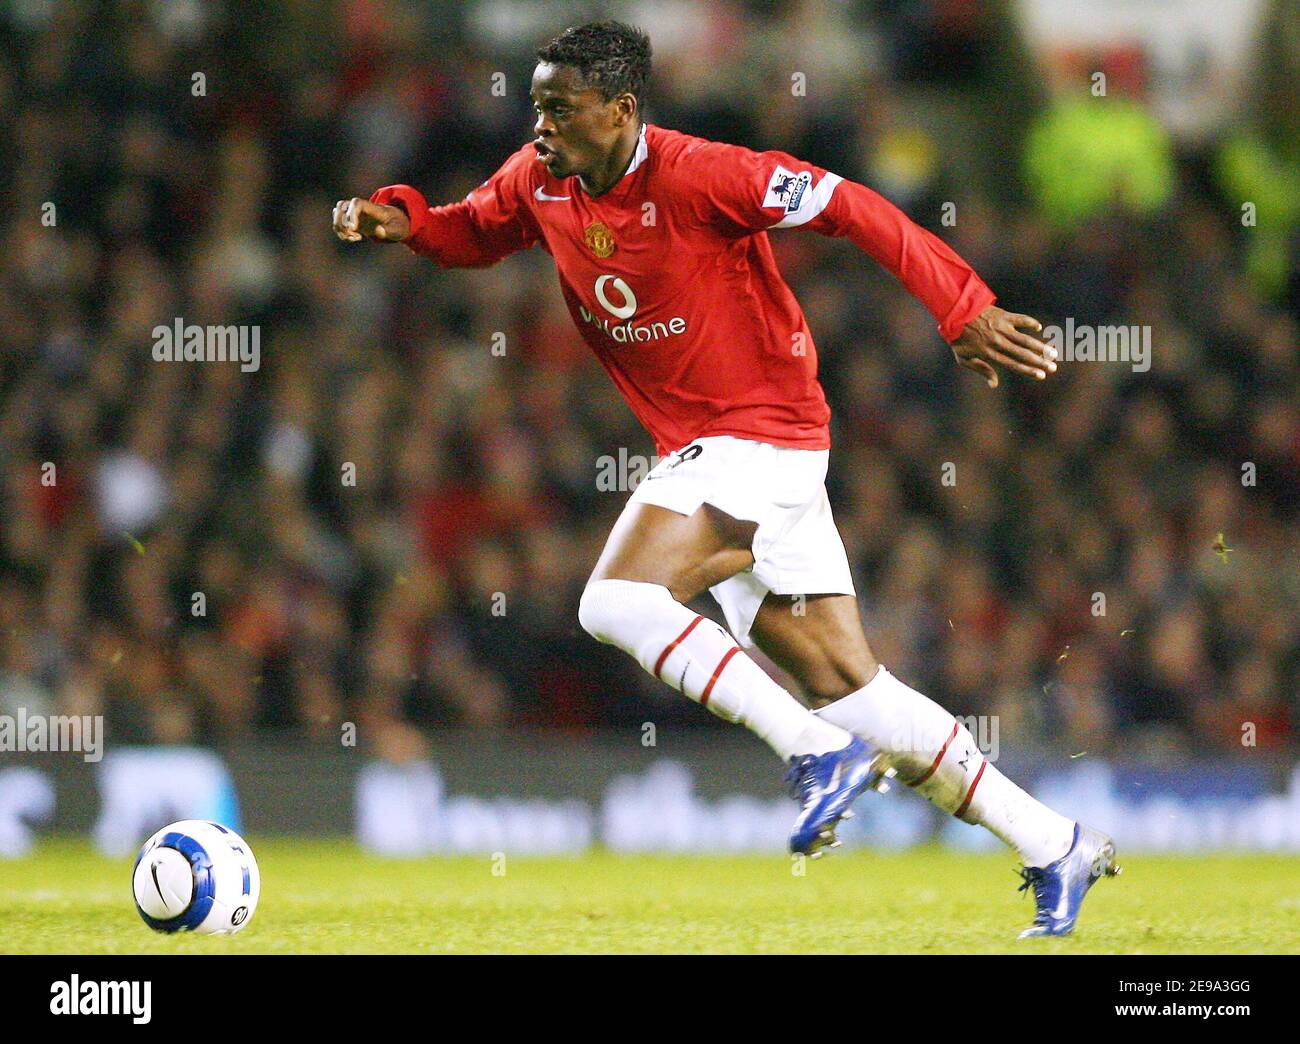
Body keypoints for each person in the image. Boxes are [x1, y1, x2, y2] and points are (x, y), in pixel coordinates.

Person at [333, 20, 1119, 937]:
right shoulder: (540, 179)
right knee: (851, 685)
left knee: (615, 603)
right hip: (714, 450)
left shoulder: (708, 175)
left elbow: (854, 205)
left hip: (763, 435)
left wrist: (961, 304)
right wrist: (405, 221)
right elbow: (473, 230)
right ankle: (1053, 842)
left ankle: (812, 751)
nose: (538, 125)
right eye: (534, 104)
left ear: (622, 109)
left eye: (558, 106)